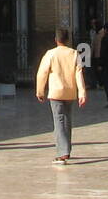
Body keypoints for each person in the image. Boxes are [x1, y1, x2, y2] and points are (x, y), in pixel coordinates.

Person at [37, 27, 88, 164]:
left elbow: (42, 73)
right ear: (68, 40)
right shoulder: (74, 53)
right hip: (70, 92)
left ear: (56, 40)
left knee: (59, 121)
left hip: (56, 92)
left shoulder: (51, 54)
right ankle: (67, 149)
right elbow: (79, 73)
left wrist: (40, 91)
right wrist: (82, 92)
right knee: (67, 120)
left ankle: (62, 152)